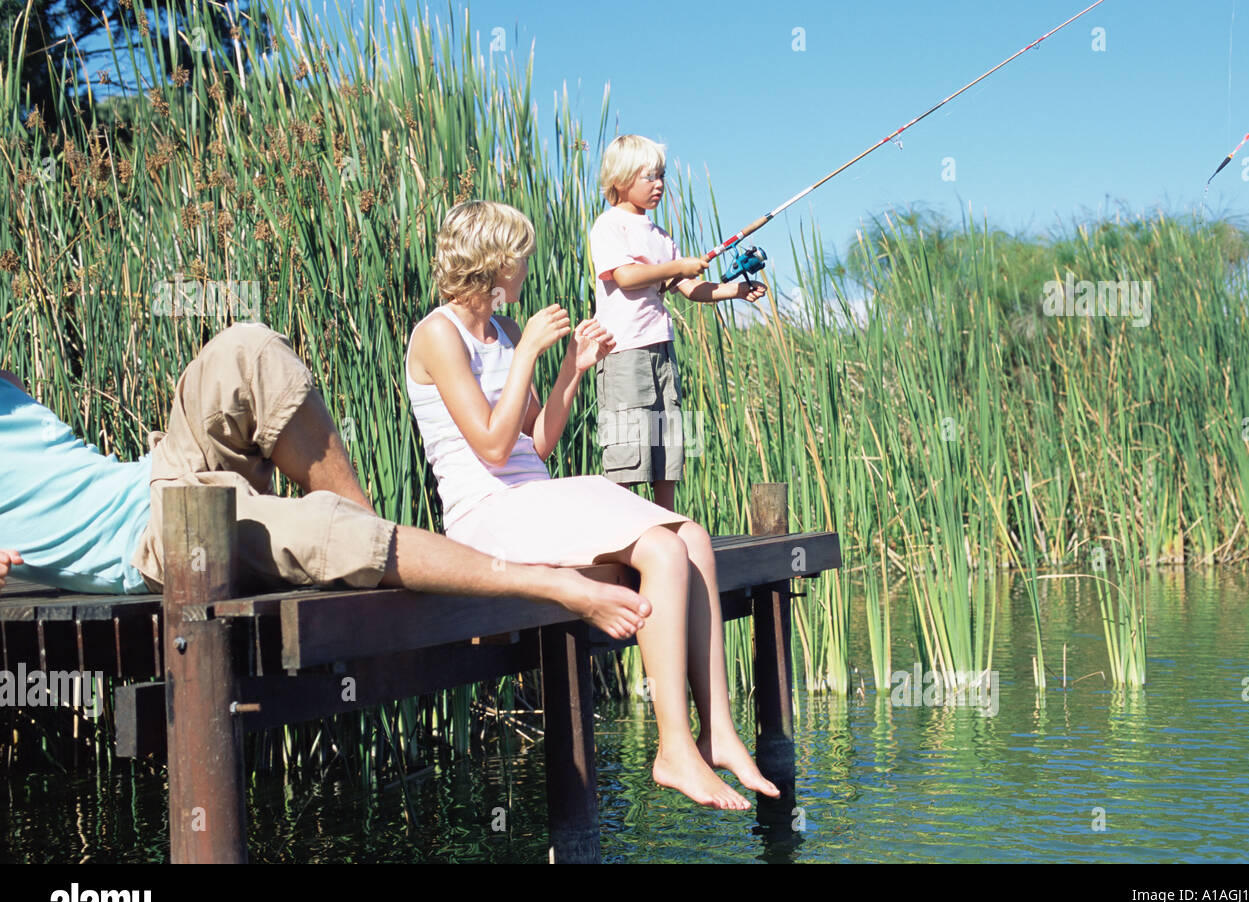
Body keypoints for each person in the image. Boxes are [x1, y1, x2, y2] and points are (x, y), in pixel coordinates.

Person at [405, 199, 778, 809]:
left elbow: (537, 441)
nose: (526, 268)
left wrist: (573, 369)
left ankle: (719, 732)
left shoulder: (497, 329)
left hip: (533, 495)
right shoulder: (437, 334)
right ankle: (673, 750)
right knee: (659, 546)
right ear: (494, 263)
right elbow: (493, 449)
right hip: (486, 515)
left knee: (693, 539)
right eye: (519, 257)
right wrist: (528, 351)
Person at [0, 328, 651, 642]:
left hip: (156, 470)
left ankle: (371, 547)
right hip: (158, 541)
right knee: (315, 529)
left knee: (246, 350)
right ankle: (546, 581)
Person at [589, 134, 766, 511]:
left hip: (661, 351)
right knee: (627, 445)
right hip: (623, 353)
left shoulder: (661, 236)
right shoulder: (608, 226)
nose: (659, 184)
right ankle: (621, 530)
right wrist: (678, 265)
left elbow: (690, 287)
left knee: (667, 441)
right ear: (620, 180)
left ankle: (665, 522)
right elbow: (625, 276)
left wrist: (735, 291)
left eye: (662, 176)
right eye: (648, 177)